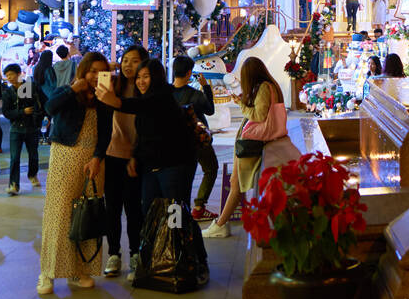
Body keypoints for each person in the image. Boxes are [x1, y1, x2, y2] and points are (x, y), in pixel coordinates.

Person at [38, 52, 112, 295]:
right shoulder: (68, 90)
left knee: (86, 214)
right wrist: (73, 89)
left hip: (92, 162)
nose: (95, 76)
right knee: (59, 215)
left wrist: (98, 158)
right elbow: (49, 108)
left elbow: (106, 131)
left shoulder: (104, 96)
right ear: (83, 71)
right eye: (92, 71)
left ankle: (79, 270)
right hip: (64, 156)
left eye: (101, 71)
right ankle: (47, 272)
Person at [98, 59, 197, 223]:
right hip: (153, 166)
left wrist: (116, 101)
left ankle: (178, 247)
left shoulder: (163, 97)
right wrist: (135, 156)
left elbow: (140, 105)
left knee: (176, 216)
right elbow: (144, 133)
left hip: (175, 165)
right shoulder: (147, 99)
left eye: (146, 77)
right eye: (138, 77)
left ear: (156, 78)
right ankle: (159, 248)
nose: (140, 81)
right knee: (150, 213)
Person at [202, 57, 282, 238]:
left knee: (236, 185)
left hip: (251, 142)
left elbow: (258, 115)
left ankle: (220, 224)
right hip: (256, 141)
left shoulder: (263, 88)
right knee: (236, 184)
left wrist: (242, 105)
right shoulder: (270, 86)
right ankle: (221, 223)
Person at [100, 45, 147, 280]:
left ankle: (136, 254)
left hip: (135, 158)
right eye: (125, 60)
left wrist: (136, 156)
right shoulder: (115, 85)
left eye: (134, 61)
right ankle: (114, 254)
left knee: (133, 208)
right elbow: (99, 91)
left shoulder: (144, 88)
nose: (128, 65)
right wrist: (106, 71)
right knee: (113, 208)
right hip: (112, 155)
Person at [170, 55, 219, 222]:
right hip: (197, 141)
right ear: (189, 72)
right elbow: (210, 110)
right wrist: (206, 87)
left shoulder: (166, 94)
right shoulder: (196, 95)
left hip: (173, 144)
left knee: (178, 183)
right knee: (210, 168)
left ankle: (175, 220)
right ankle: (198, 207)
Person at [1, 63, 42, 195]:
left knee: (33, 155)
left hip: (32, 128)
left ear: (19, 74)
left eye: (11, 75)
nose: (9, 78)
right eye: (7, 76)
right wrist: (22, 112)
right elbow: (6, 112)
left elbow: (40, 104)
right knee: (14, 158)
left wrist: (39, 118)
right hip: (16, 129)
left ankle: (32, 174)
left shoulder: (31, 87)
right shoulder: (8, 92)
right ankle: (14, 184)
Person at [33, 50, 55, 144]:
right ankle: (45, 136)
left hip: (38, 95)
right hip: (47, 96)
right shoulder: (49, 69)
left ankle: (39, 137)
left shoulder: (35, 67)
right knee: (47, 117)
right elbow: (53, 83)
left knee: (39, 116)